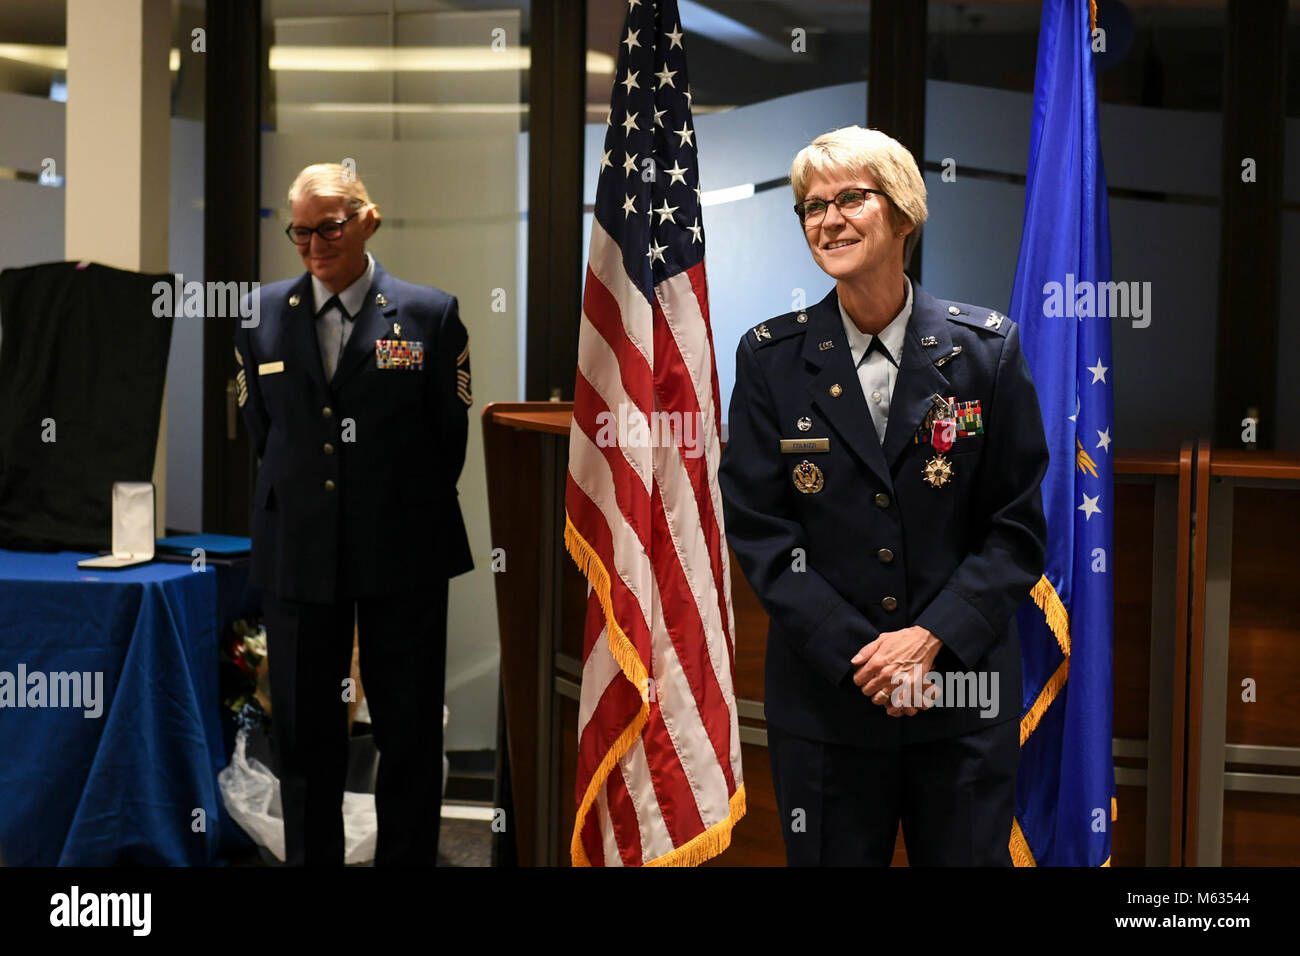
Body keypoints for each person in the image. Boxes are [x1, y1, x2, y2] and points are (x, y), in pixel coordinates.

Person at [719, 127, 1049, 866]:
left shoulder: (985, 354)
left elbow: (1015, 529)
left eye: (849, 199)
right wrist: (862, 651)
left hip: (960, 700)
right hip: (830, 704)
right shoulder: (771, 359)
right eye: (811, 207)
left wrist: (928, 640)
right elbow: (761, 531)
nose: (827, 219)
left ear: (902, 212)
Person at [234, 163, 473, 866]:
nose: (313, 245)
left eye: (329, 227)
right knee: (306, 739)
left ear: (369, 218)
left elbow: (446, 439)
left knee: (407, 733)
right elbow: (262, 433)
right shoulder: (260, 315)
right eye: (300, 232)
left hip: (403, 549)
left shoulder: (429, 313)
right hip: (299, 552)